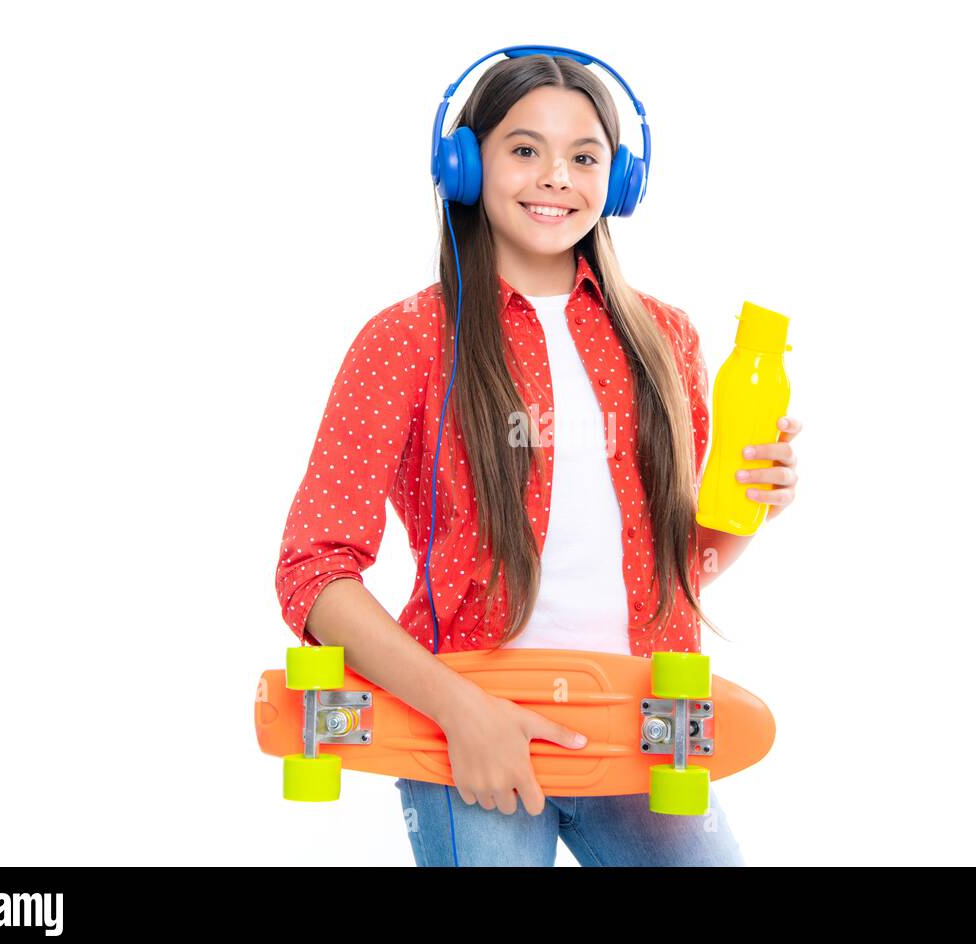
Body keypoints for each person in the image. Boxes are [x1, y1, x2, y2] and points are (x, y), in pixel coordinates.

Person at [274, 50, 802, 866]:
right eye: (524, 149)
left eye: (584, 156)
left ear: (619, 180)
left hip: (645, 723)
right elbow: (315, 571)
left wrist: (751, 507)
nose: (556, 176)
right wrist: (460, 711)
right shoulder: (408, 340)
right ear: (463, 165)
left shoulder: (668, 339)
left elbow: (669, 565)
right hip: (472, 725)